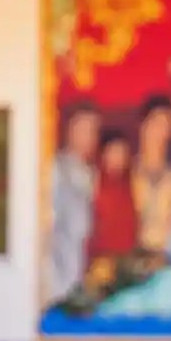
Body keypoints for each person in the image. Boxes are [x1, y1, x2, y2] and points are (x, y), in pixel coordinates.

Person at [47, 101, 100, 303]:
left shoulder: (91, 173)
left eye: (92, 130)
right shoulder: (54, 169)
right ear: (69, 129)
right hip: (58, 264)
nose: (88, 136)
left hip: (82, 263)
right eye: (83, 128)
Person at [131, 95, 171, 253]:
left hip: (166, 256)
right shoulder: (127, 171)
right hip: (130, 258)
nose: (159, 131)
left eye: (166, 125)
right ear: (142, 125)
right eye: (155, 123)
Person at [86, 128, 138, 264]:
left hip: (125, 261)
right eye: (114, 152)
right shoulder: (93, 182)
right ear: (103, 154)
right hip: (100, 261)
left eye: (122, 153)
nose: (118, 158)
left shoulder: (131, 185)